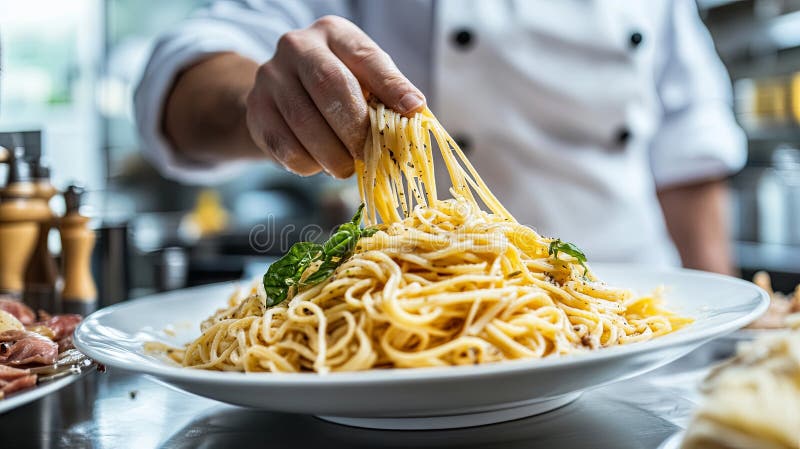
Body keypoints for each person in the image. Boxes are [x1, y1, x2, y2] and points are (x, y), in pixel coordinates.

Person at [135, 0, 746, 274]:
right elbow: (183, 74)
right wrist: (262, 100)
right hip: (417, 320)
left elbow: (689, 148)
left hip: (633, 315)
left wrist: (725, 331)